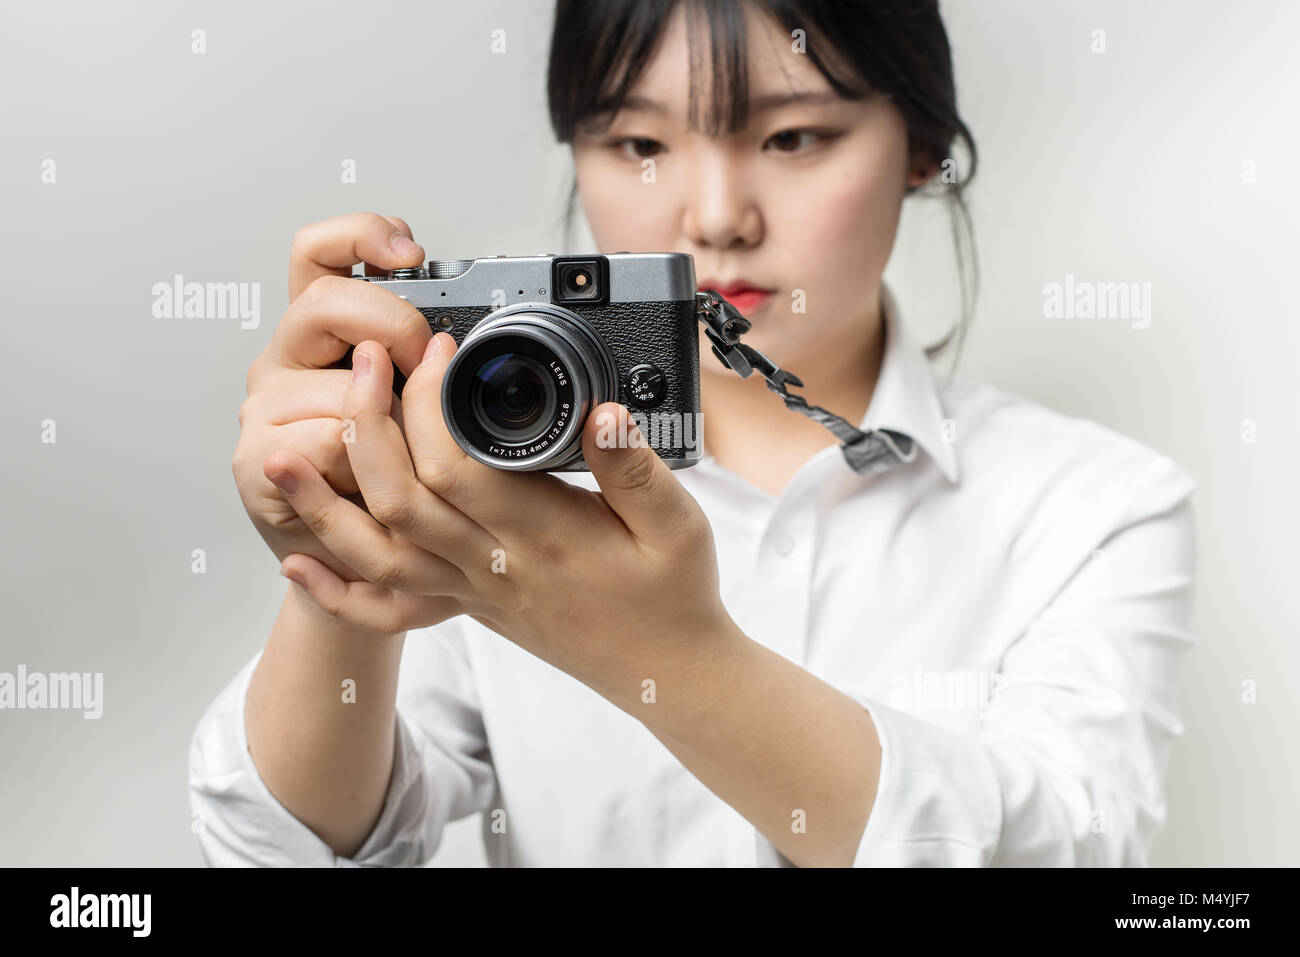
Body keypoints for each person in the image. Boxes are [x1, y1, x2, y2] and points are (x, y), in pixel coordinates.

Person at [188, 0, 1197, 866]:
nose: (715, 219)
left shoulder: (1095, 507)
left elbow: (1071, 851)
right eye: (638, 144)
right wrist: (336, 567)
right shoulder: (468, 474)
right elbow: (286, 849)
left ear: (924, 148)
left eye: (792, 137)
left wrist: (666, 655)